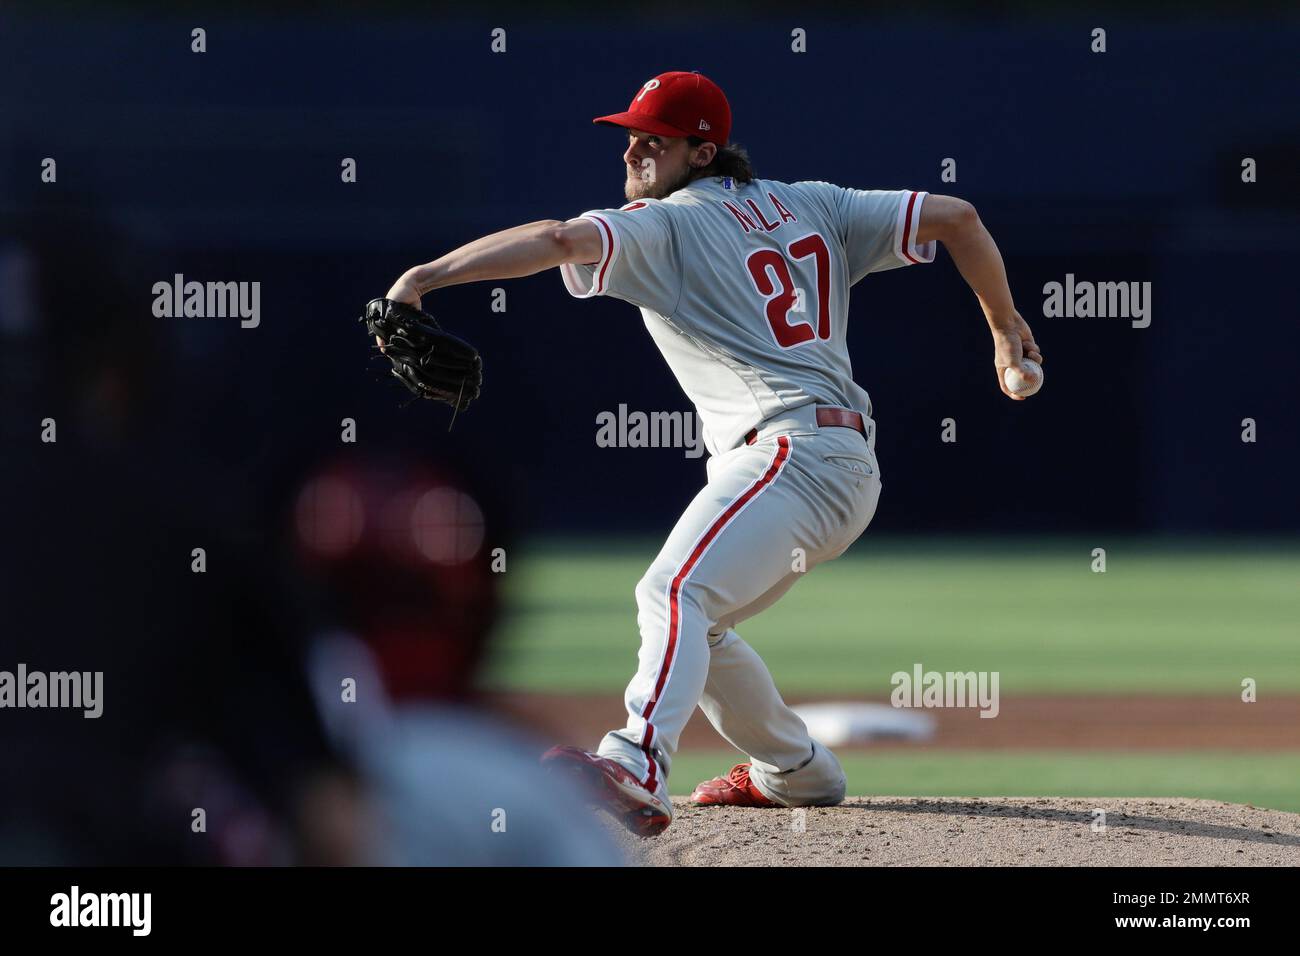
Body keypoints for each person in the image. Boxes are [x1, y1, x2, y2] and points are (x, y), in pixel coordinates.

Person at [379, 70, 1042, 837]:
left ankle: (635, 762)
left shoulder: (667, 225)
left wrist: (421, 279)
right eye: (628, 134)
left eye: (651, 139)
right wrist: (1003, 328)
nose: (632, 149)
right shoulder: (814, 201)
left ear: (701, 150)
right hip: (835, 462)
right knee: (702, 621)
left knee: (671, 592)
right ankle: (796, 770)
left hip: (792, 454)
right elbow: (957, 215)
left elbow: (559, 238)